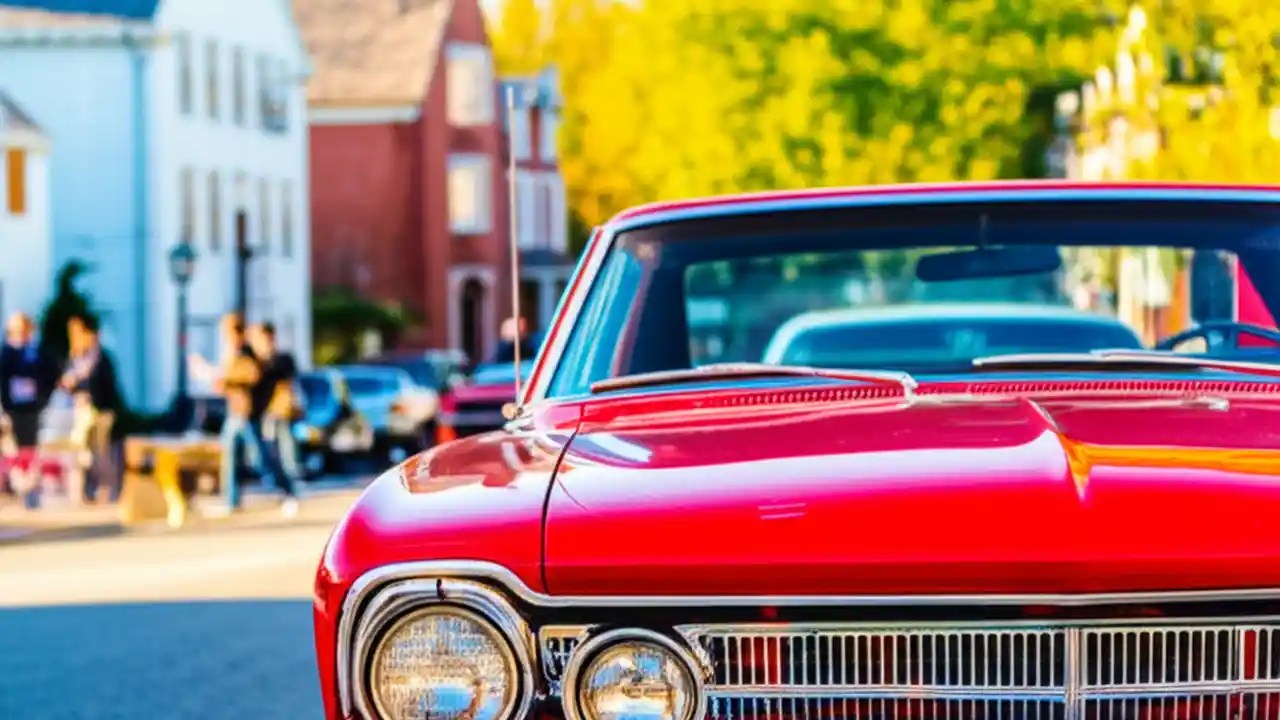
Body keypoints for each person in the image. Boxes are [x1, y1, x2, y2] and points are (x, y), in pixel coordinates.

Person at [191, 313, 297, 517]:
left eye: (227, 333)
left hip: (248, 413)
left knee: (259, 458)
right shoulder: (235, 352)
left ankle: (286, 491)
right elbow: (227, 381)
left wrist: (211, 373)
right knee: (230, 457)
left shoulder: (246, 352)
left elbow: (250, 375)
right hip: (236, 412)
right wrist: (215, 378)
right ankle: (232, 500)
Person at [60, 315, 122, 503]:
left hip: (100, 411)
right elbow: (67, 380)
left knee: (100, 452)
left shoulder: (101, 358)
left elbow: (107, 386)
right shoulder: (74, 357)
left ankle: (108, 490)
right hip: (80, 410)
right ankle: (85, 491)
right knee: (82, 452)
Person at [0, 312, 58, 497]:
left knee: (31, 447)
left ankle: (30, 486)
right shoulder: (6, 353)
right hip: (11, 408)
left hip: (34, 408)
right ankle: (15, 484)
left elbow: (51, 375)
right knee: (12, 448)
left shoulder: (39, 352)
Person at [248, 322, 302, 484]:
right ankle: (276, 477)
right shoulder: (253, 360)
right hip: (259, 411)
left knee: (284, 444)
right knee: (262, 449)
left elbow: (288, 382)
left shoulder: (281, 359)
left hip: (278, 411)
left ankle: (288, 477)